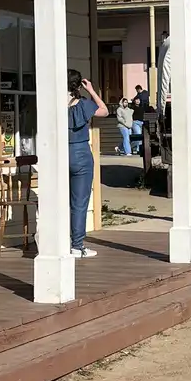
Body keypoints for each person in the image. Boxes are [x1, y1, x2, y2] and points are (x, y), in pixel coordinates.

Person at [68, 70, 108, 259]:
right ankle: (76, 245)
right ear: (77, 86)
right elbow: (104, 110)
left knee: (58, 202)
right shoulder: (83, 105)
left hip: (59, 154)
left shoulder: (55, 105)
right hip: (81, 154)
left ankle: (57, 242)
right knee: (79, 203)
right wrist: (91, 90)